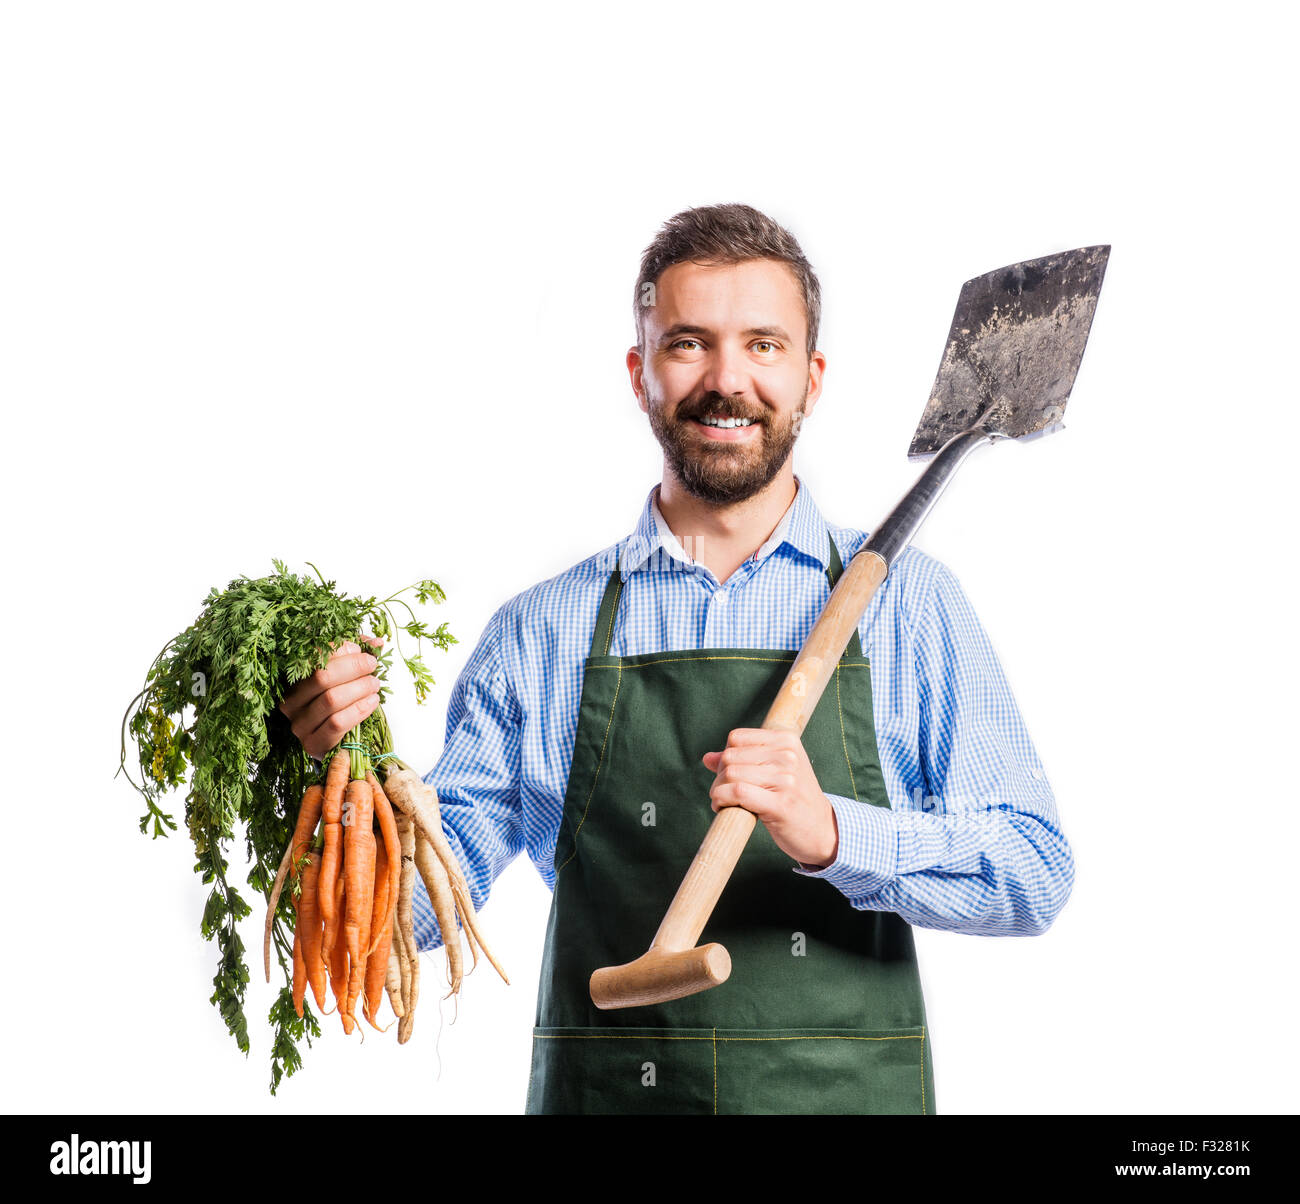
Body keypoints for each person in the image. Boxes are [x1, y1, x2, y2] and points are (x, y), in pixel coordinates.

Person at [278, 203, 1074, 1115]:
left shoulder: (910, 607)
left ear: (812, 377)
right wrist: (344, 763)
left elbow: (1033, 871)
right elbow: (411, 918)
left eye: (764, 346)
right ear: (640, 372)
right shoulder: (544, 633)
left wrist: (835, 834)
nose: (727, 381)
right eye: (688, 343)